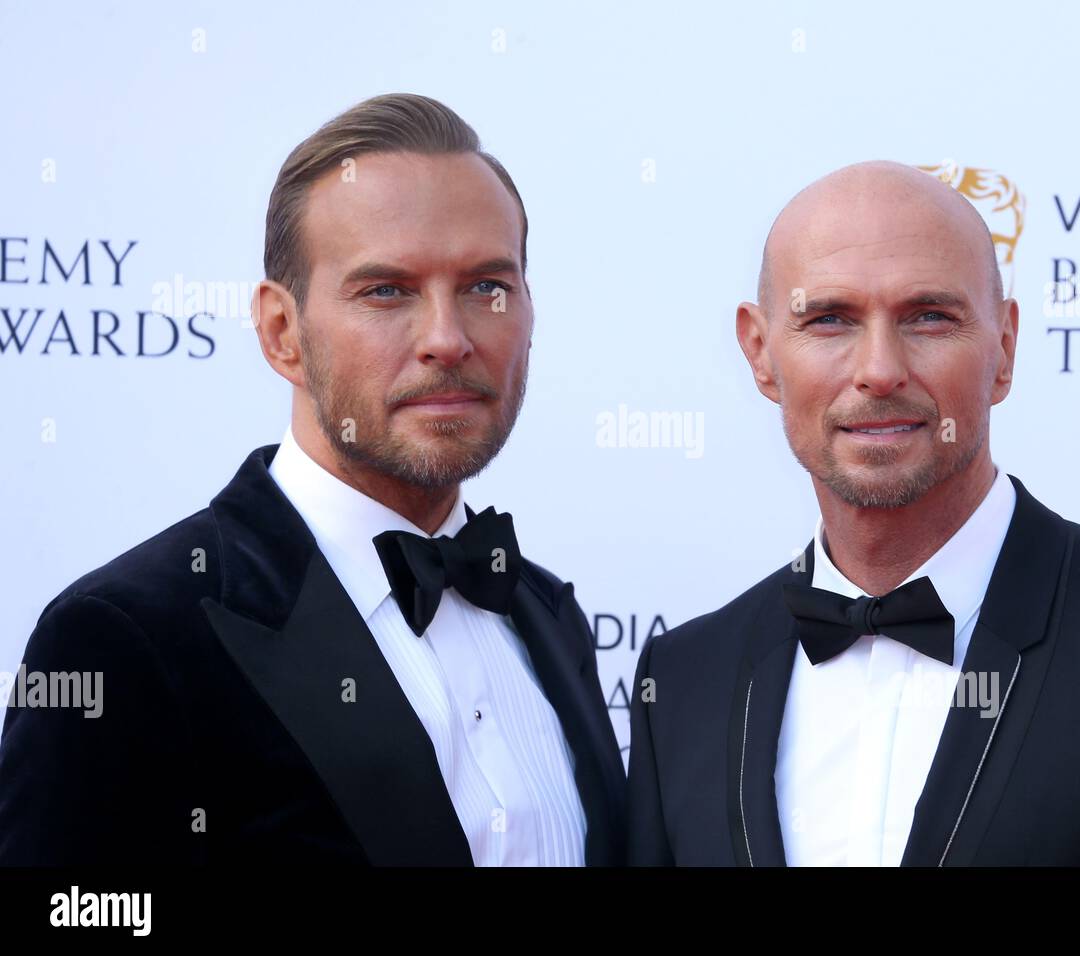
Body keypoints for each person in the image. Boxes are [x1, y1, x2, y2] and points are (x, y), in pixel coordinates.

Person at [0, 93, 625, 866]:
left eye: (485, 287)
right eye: (386, 290)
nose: (447, 338)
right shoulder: (126, 637)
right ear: (281, 332)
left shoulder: (548, 615)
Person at [627, 160, 1080, 866]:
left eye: (929, 317)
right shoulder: (684, 684)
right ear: (761, 353)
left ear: (1003, 350)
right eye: (829, 320)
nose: (879, 370)